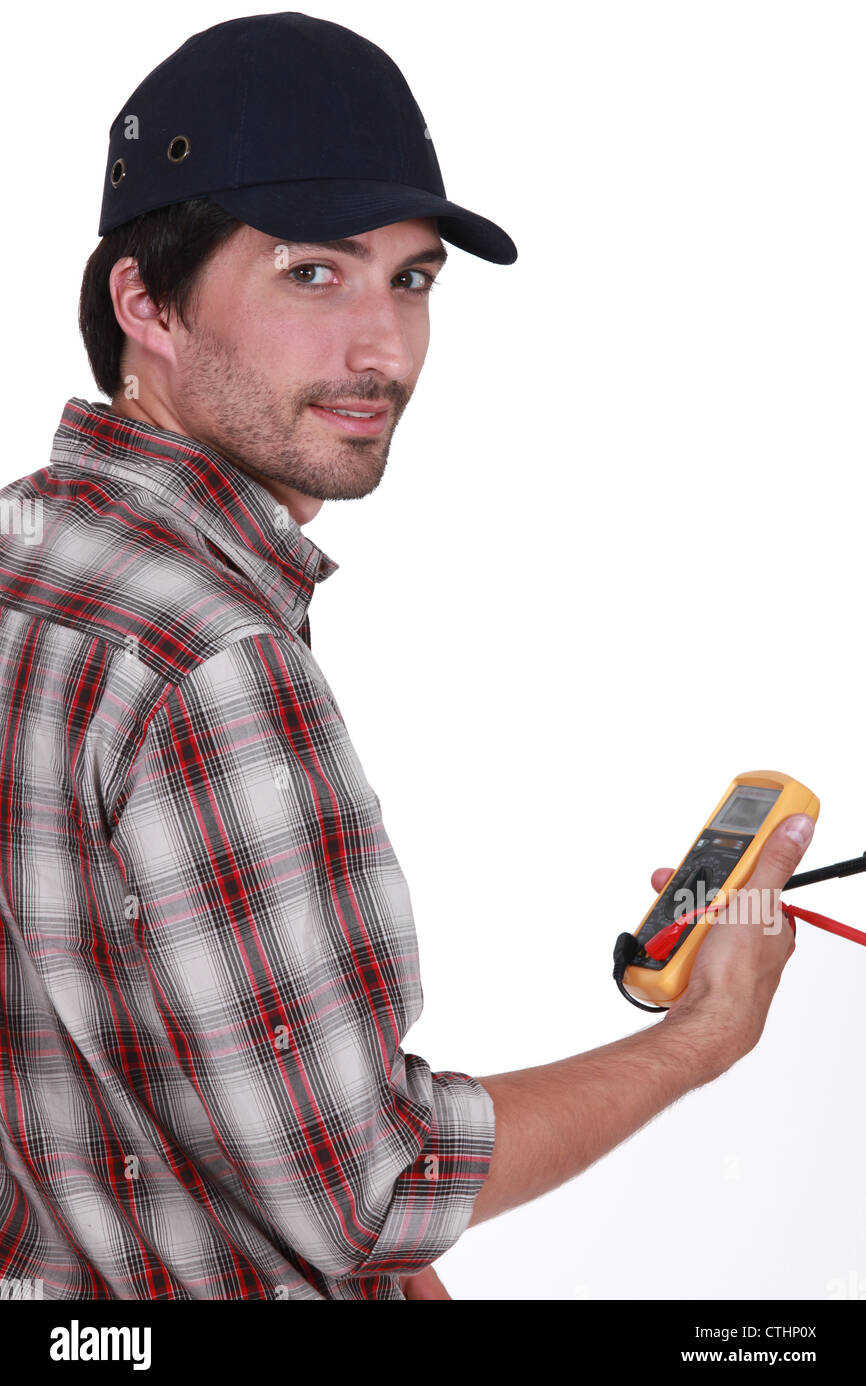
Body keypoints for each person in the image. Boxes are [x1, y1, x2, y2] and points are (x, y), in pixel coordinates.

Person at [0, 12, 813, 1302]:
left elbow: (114, 1078)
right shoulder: (215, 660)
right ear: (143, 301)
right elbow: (369, 1194)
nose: (381, 348)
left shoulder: (30, 558)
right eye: (311, 275)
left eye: (411, 280)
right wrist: (705, 1037)